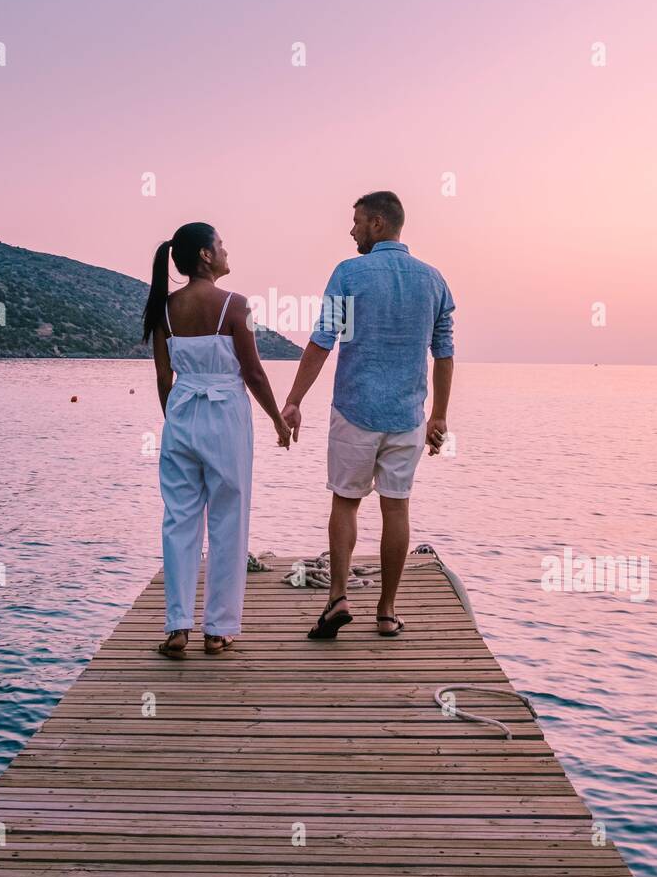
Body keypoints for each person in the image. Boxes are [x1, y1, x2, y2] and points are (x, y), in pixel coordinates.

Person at [282, 192, 455, 638]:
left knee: (345, 500)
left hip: (355, 410)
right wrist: (439, 415)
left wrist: (294, 399)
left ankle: (338, 597)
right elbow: (444, 353)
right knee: (396, 507)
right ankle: (386, 612)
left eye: (357, 221)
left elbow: (323, 341)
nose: (352, 230)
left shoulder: (349, 272)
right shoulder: (434, 280)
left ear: (378, 223)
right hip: (407, 415)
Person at [143, 223, 292, 658]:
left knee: (179, 520)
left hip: (181, 412)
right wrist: (278, 423)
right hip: (225, 413)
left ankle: (176, 627)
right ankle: (219, 629)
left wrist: (176, 419)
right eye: (222, 245)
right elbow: (253, 372)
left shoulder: (164, 310)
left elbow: (162, 378)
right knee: (228, 519)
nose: (227, 252)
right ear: (206, 256)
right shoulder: (235, 304)